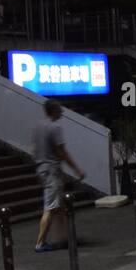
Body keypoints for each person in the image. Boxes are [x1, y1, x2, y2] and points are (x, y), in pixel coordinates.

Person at [32, 100, 85, 252]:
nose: (62, 112)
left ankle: (63, 237)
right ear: (54, 110)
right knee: (50, 207)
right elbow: (62, 152)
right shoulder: (55, 127)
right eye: (60, 109)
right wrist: (77, 170)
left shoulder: (38, 126)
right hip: (52, 170)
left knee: (59, 206)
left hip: (42, 168)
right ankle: (40, 243)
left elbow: (33, 150)